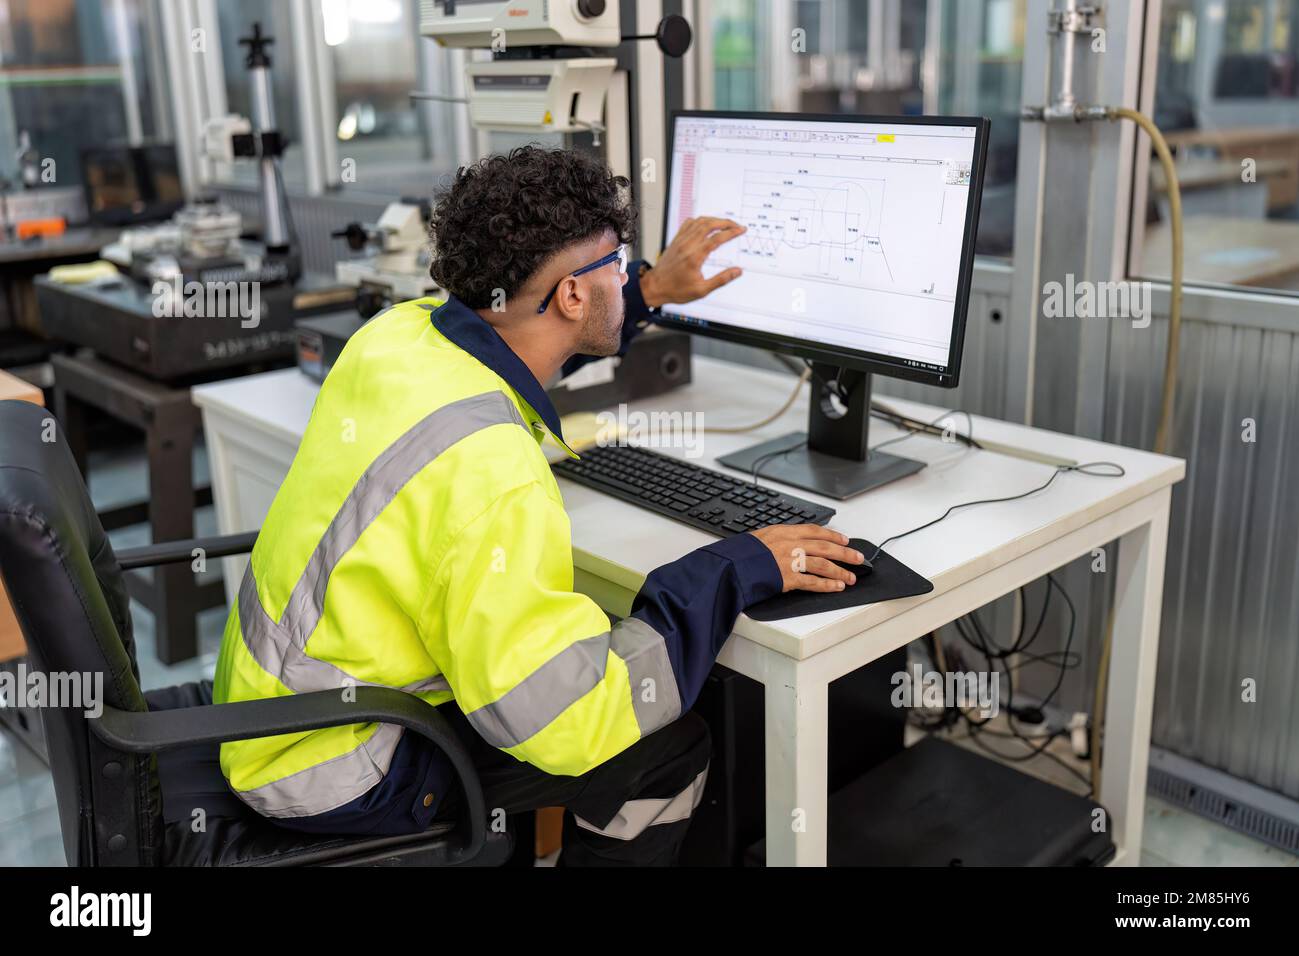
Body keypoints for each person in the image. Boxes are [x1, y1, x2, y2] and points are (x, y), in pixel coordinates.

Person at [213, 145, 864, 865]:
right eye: (616, 265)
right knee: (668, 748)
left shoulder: (396, 335)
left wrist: (649, 290)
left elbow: (521, 342)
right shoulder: (492, 469)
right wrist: (734, 567)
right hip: (332, 767)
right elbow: (571, 720)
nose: (624, 274)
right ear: (573, 297)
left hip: (273, 709)